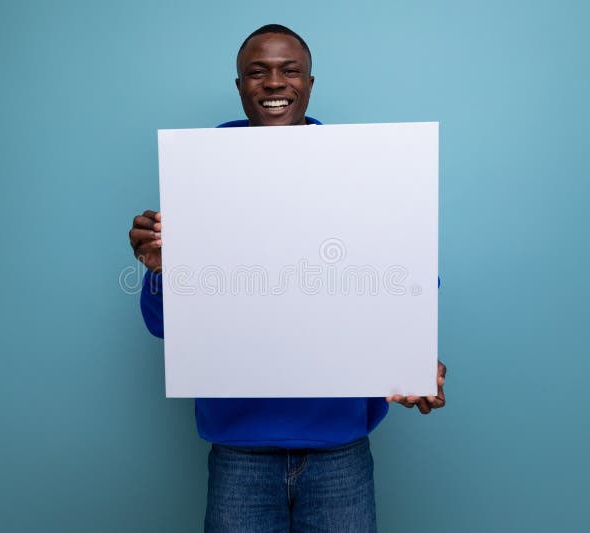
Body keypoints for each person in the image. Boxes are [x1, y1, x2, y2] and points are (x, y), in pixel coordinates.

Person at [129, 24, 447, 533]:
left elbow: (403, 282)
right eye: (258, 72)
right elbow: (164, 327)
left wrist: (410, 354)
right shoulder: (201, 178)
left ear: (310, 83)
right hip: (240, 448)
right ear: (240, 87)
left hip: (338, 446)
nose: (274, 82)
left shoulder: (362, 171)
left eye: (289, 70)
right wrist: (161, 272)